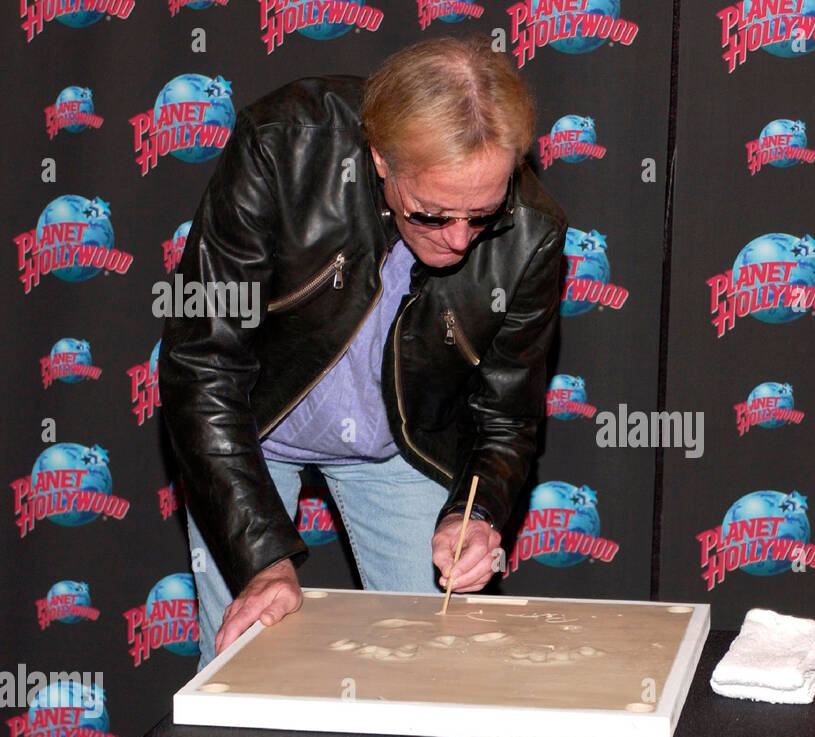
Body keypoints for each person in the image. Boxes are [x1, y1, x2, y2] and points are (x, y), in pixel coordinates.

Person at [159, 37, 566, 668]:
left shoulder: (532, 233)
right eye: (431, 214)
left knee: (432, 673)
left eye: (481, 215)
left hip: (404, 443)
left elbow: (507, 412)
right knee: (249, 670)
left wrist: (476, 512)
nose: (458, 241)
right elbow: (203, 363)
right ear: (380, 158)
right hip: (251, 430)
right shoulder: (283, 146)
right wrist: (263, 562)